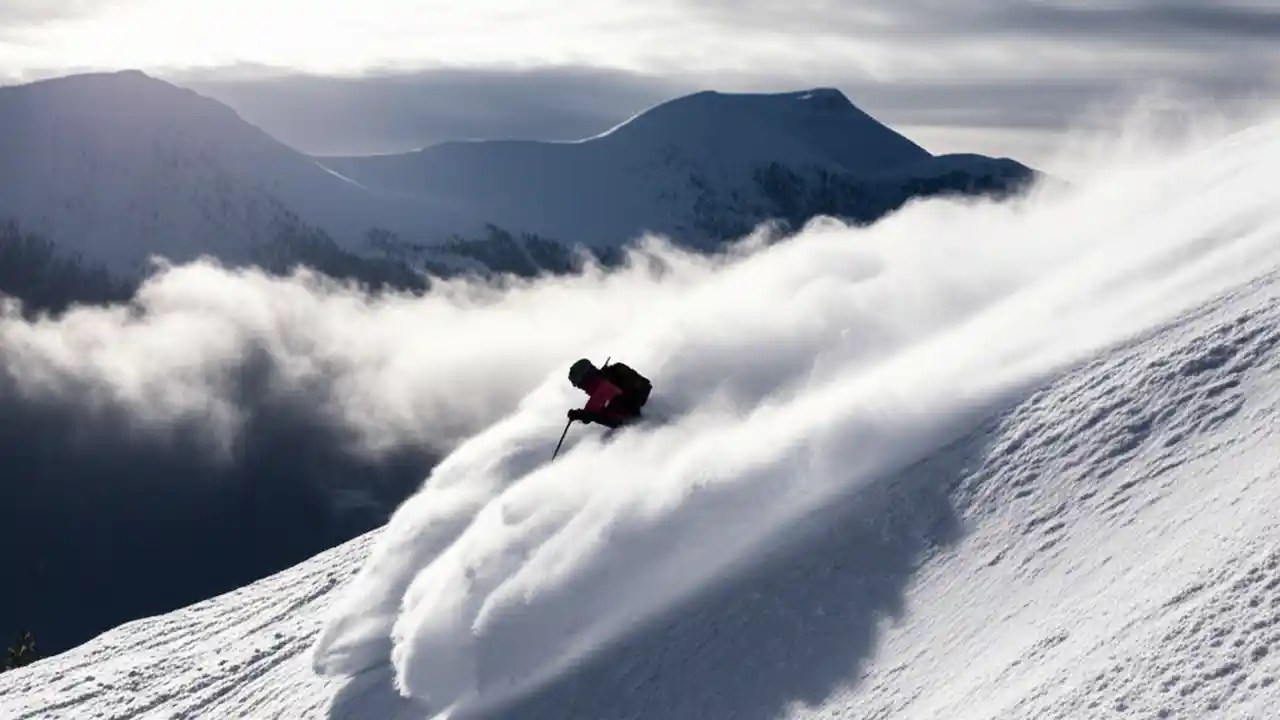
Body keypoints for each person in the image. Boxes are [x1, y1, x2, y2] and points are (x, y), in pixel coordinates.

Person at [566, 358, 649, 429]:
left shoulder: (602, 387)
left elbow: (595, 411)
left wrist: (584, 415)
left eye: (579, 384)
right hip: (637, 416)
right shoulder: (605, 381)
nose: (579, 388)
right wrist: (583, 415)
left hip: (635, 420)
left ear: (586, 379)